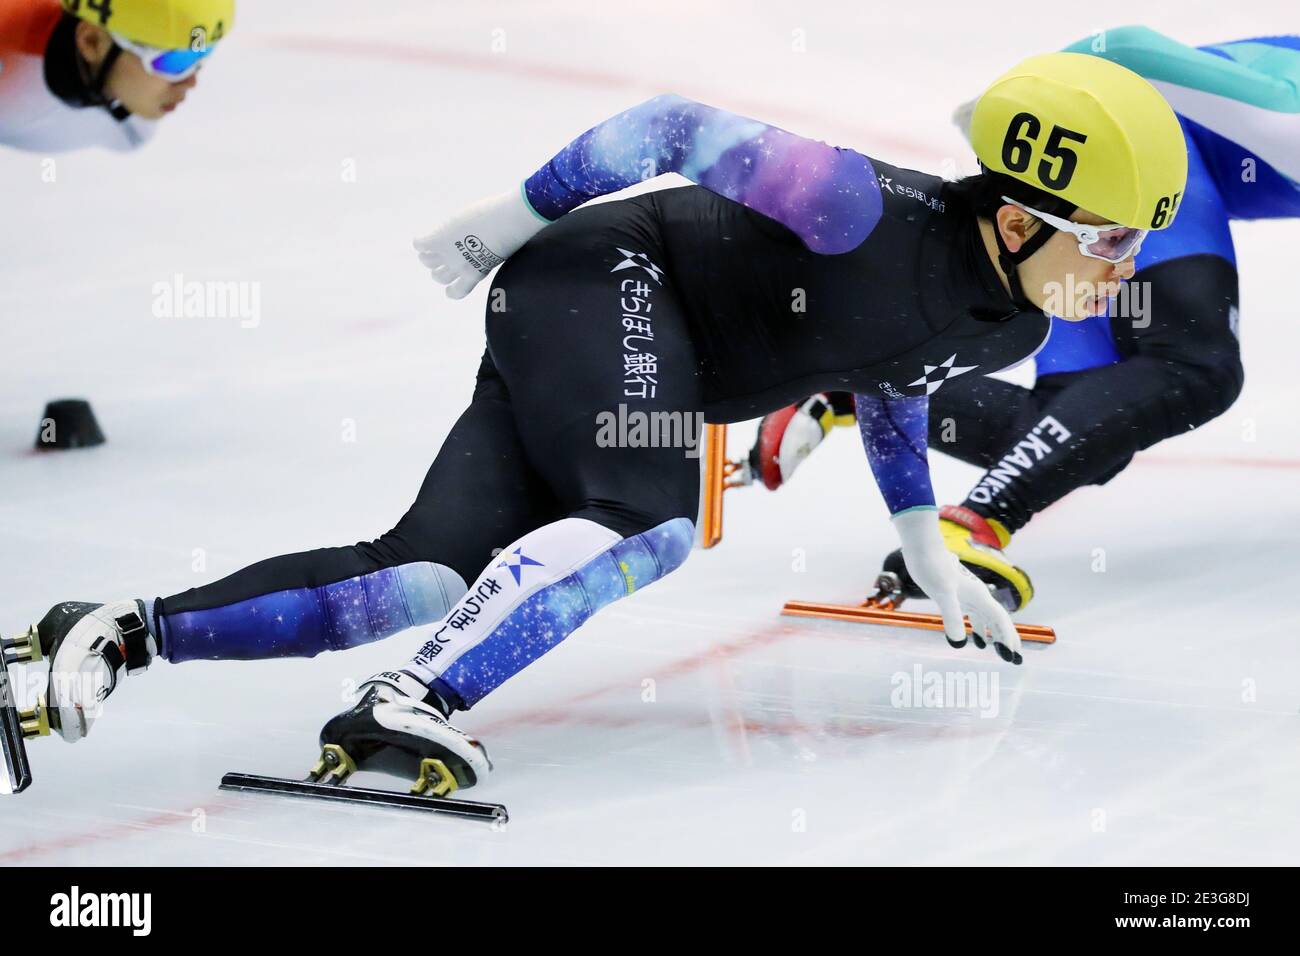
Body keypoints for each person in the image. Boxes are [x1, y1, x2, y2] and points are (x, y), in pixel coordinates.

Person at [17, 52, 1187, 794]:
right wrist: (507, 215)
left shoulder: (1010, 327)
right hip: (602, 275)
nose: (1123, 266)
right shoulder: (855, 205)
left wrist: (925, 539)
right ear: (1024, 215)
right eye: (1111, 236)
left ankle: (121, 630)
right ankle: (408, 703)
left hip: (603, 334)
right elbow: (668, 128)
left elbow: (893, 376)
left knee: (421, 575)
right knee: (646, 520)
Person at [747, 27, 1300, 612]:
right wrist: (1019, 111)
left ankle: (851, 384)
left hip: (1120, 160)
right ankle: (974, 525)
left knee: (1076, 432)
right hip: (1123, 148)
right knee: (1196, 364)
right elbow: (1131, 50)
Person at [0, 0, 234, 152]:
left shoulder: (134, 120)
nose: (192, 82)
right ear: (91, 42)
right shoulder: (9, 52)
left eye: (203, 52)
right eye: (174, 61)